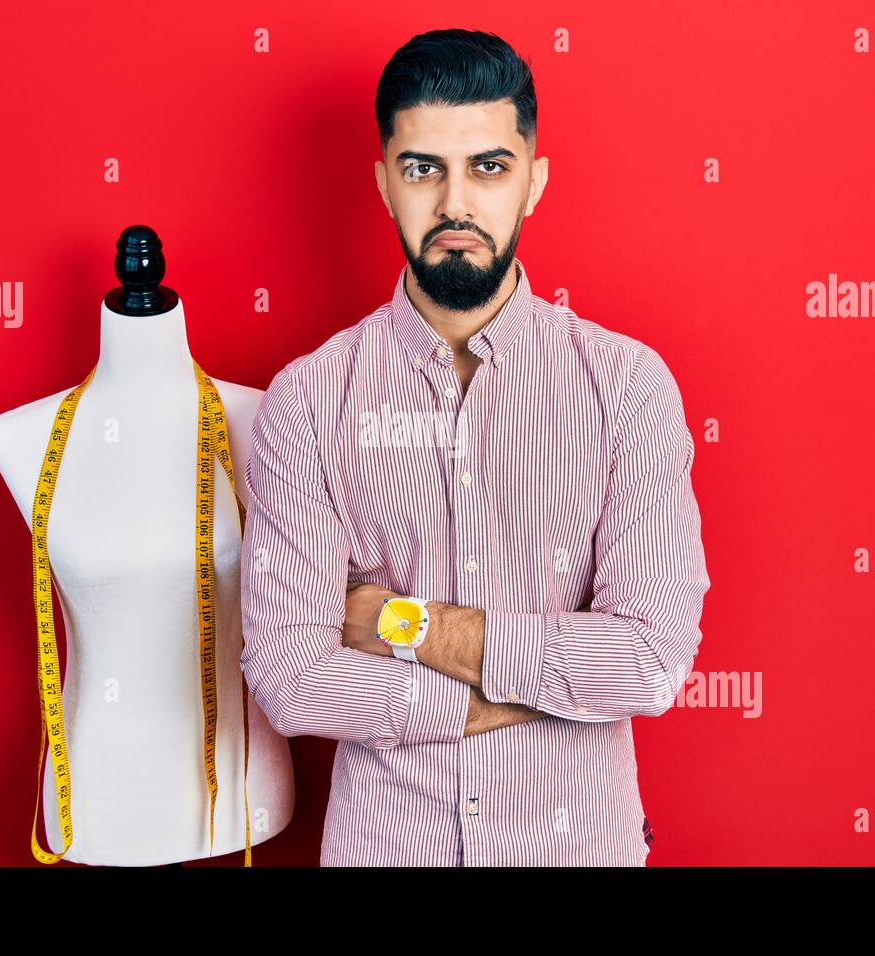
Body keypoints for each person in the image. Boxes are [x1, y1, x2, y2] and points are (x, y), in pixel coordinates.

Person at [239, 28, 710, 866]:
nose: (455, 203)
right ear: (385, 185)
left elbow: (647, 661)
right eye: (424, 169)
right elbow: (291, 678)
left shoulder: (627, 388)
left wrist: (398, 622)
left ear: (534, 182)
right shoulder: (307, 402)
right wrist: (538, 687)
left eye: (489, 167)